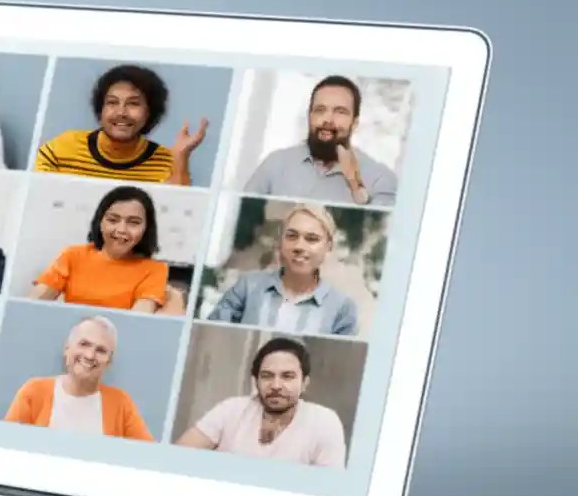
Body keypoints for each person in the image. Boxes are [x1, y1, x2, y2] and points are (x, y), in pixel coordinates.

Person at [174, 337, 346, 467]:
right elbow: (177, 456)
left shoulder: (325, 422)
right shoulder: (232, 409)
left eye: (287, 376)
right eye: (267, 376)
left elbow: (328, 489)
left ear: (304, 383)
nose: (276, 385)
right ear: (255, 381)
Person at [34, 64, 207, 184]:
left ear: (149, 112)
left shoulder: (168, 163)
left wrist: (180, 157)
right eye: (112, 103)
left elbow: (178, 220)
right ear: (100, 109)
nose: (121, 113)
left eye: (133, 103)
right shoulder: (61, 149)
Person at [244, 75, 398, 206]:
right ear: (309, 116)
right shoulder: (275, 164)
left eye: (340, 112)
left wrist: (356, 186)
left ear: (355, 123)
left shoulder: (380, 179)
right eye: (320, 110)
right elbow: (237, 221)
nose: (327, 120)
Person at [26, 185, 182, 313]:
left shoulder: (155, 270)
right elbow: (31, 306)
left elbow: (137, 322)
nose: (121, 229)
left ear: (147, 229)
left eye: (133, 222)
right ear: (100, 222)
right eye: (113, 220)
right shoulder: (73, 255)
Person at [208, 203, 359, 336]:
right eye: (292, 236)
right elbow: (212, 336)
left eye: (312, 239)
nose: (299, 246)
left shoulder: (342, 308)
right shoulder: (247, 287)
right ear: (280, 242)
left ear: (329, 246)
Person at [3, 316, 154, 440]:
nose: (90, 355)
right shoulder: (34, 391)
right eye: (84, 344)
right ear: (67, 349)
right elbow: (6, 444)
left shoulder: (121, 403)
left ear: (109, 361)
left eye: (101, 350)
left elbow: (148, 456)